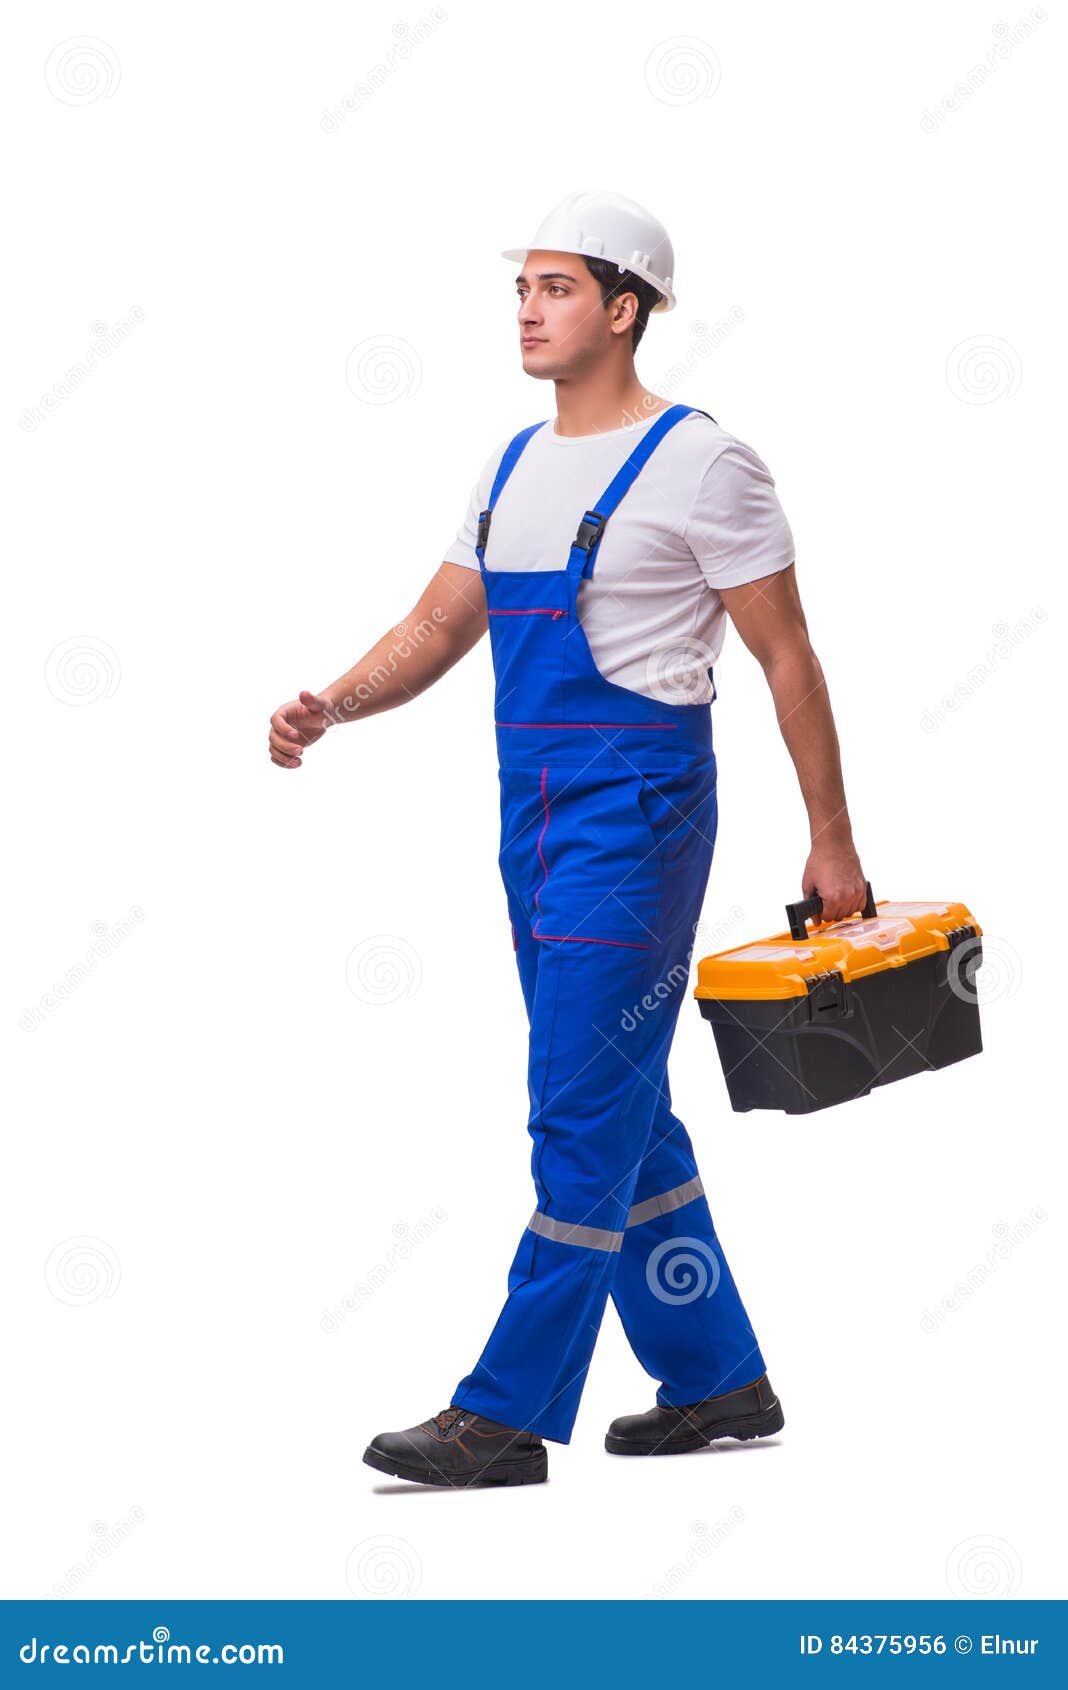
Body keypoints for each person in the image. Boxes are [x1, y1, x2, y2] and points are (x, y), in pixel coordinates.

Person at [268, 189, 867, 1489]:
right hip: (529, 809)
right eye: (521, 289)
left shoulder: (707, 464)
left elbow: (787, 659)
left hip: (639, 812)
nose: (528, 310)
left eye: (553, 287)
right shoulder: (510, 466)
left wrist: (833, 843)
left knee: (576, 1104)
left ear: (626, 306)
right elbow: (437, 627)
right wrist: (337, 699)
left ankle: (506, 1410)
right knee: (623, 1098)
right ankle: (717, 1375)